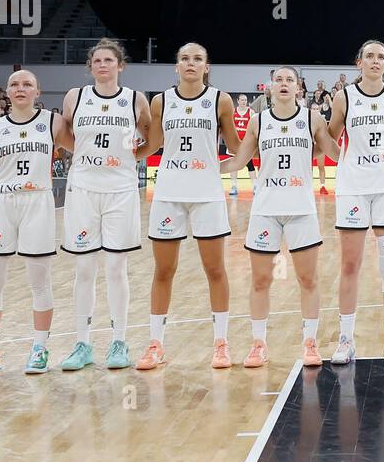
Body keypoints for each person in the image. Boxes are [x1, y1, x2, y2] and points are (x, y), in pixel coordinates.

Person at [131, 43, 242, 370]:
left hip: (207, 194)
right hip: (168, 193)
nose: (190, 64)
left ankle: (221, 343)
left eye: (197, 59)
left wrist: (255, 155)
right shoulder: (160, 101)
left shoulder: (220, 100)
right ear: (176, 66)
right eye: (184, 59)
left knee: (215, 270)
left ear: (206, 67)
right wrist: (125, 156)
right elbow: (152, 144)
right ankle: (155, 344)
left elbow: (236, 146)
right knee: (164, 270)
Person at [223, 65, 338, 368]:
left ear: (299, 87)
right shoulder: (258, 122)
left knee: (308, 279)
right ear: (269, 87)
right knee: (261, 280)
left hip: (301, 209)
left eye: (290, 80)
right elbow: (239, 159)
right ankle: (258, 343)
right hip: (266, 210)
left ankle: (309, 342)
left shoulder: (311, 118)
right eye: (279, 80)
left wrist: (370, 146)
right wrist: (206, 167)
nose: (284, 84)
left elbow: (334, 152)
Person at [0, 70, 67, 376]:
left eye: (27, 84)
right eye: (15, 84)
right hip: (0, 204)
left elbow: (83, 148)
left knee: (39, 281)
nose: (21, 88)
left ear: (38, 91)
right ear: (6, 92)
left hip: (39, 203)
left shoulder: (52, 122)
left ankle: (40, 348)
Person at [59, 39, 151, 371]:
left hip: (121, 188)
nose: (102, 65)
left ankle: (119, 342)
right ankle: (82, 343)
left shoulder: (136, 100)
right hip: (83, 187)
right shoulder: (75, 97)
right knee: (84, 269)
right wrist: (84, 155)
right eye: (97, 60)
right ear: (90, 66)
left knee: (116, 268)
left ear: (120, 65)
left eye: (109, 60)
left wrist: (130, 158)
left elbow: (151, 137)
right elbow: (63, 133)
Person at [327, 39, 384, 365]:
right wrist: (347, 165)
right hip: (353, 191)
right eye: (369, 56)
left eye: (381, 57)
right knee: (350, 266)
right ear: (358, 62)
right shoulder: (343, 96)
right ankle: (346, 339)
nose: (375, 61)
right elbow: (331, 138)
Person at [230, 92, 253, 198]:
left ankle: (255, 186)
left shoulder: (251, 112)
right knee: (234, 165)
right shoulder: (233, 112)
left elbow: (254, 128)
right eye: (242, 100)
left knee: (250, 164)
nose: (244, 102)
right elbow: (229, 127)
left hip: (246, 143)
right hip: (235, 143)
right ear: (238, 101)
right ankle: (234, 186)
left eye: (245, 100)